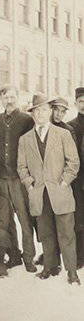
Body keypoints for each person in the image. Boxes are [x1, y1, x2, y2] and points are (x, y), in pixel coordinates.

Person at [18, 93, 80, 285]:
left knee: (66, 234)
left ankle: (71, 272)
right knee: (45, 233)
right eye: (36, 111)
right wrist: (30, 185)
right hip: (39, 194)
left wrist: (64, 182)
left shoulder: (63, 134)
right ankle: (49, 267)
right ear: (33, 114)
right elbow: (21, 167)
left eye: (44, 110)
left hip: (60, 193)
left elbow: (74, 162)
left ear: (50, 111)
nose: (40, 114)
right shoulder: (25, 139)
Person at [0, 86, 36, 272]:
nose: (9, 100)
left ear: (18, 97)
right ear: (1, 99)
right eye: (6, 97)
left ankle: (29, 258)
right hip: (1, 177)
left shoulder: (26, 119)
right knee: (6, 220)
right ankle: (14, 255)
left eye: (12, 96)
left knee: (24, 219)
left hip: (19, 178)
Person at [68, 87, 84, 266]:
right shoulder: (71, 125)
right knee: (79, 219)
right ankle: (80, 256)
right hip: (78, 181)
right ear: (75, 104)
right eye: (81, 101)